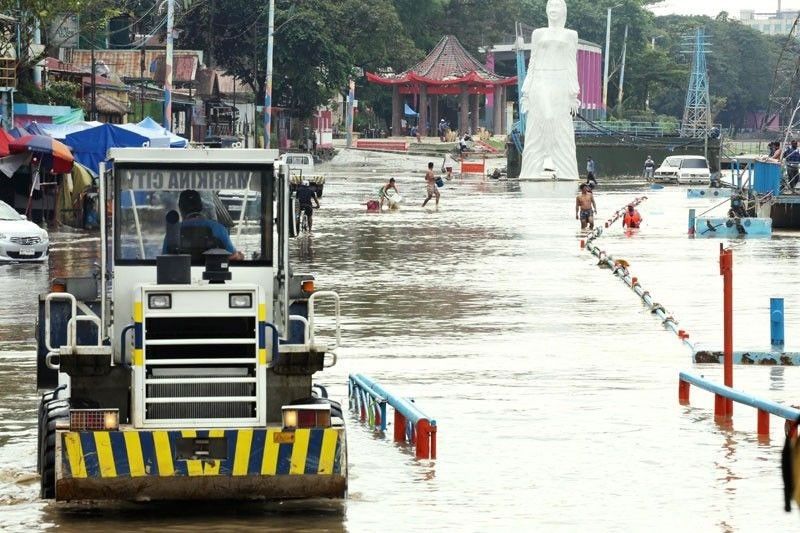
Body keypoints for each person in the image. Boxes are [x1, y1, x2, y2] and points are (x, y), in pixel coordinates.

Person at [519, 0, 580, 180]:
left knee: (561, 125)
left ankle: (566, 170)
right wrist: (526, 92)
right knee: (543, 118)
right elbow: (532, 62)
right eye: (550, 7)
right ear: (546, 10)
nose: (553, 10)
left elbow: (572, 64)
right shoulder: (538, 33)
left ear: (563, 11)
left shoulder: (571, 35)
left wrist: (573, 94)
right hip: (540, 80)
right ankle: (534, 166)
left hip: (561, 82)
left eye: (557, 7)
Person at [167, 189, 243, 260]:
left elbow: (165, 257)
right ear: (201, 206)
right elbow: (233, 256)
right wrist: (239, 255)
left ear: (180, 208)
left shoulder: (173, 233)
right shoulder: (219, 228)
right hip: (211, 269)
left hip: (182, 269)